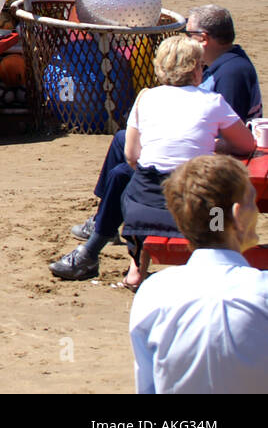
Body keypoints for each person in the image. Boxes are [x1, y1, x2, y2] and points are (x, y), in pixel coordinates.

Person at [51, 35, 255, 284]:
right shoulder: (212, 102)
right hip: (194, 212)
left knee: (122, 176)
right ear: (195, 69)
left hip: (142, 207)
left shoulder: (145, 97)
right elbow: (246, 144)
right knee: (219, 192)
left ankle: (110, 259)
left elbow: (131, 156)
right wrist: (216, 145)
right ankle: (219, 252)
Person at [129, 154, 268, 393]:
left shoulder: (154, 292)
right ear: (237, 215)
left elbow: (148, 386)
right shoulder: (261, 290)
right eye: (252, 202)